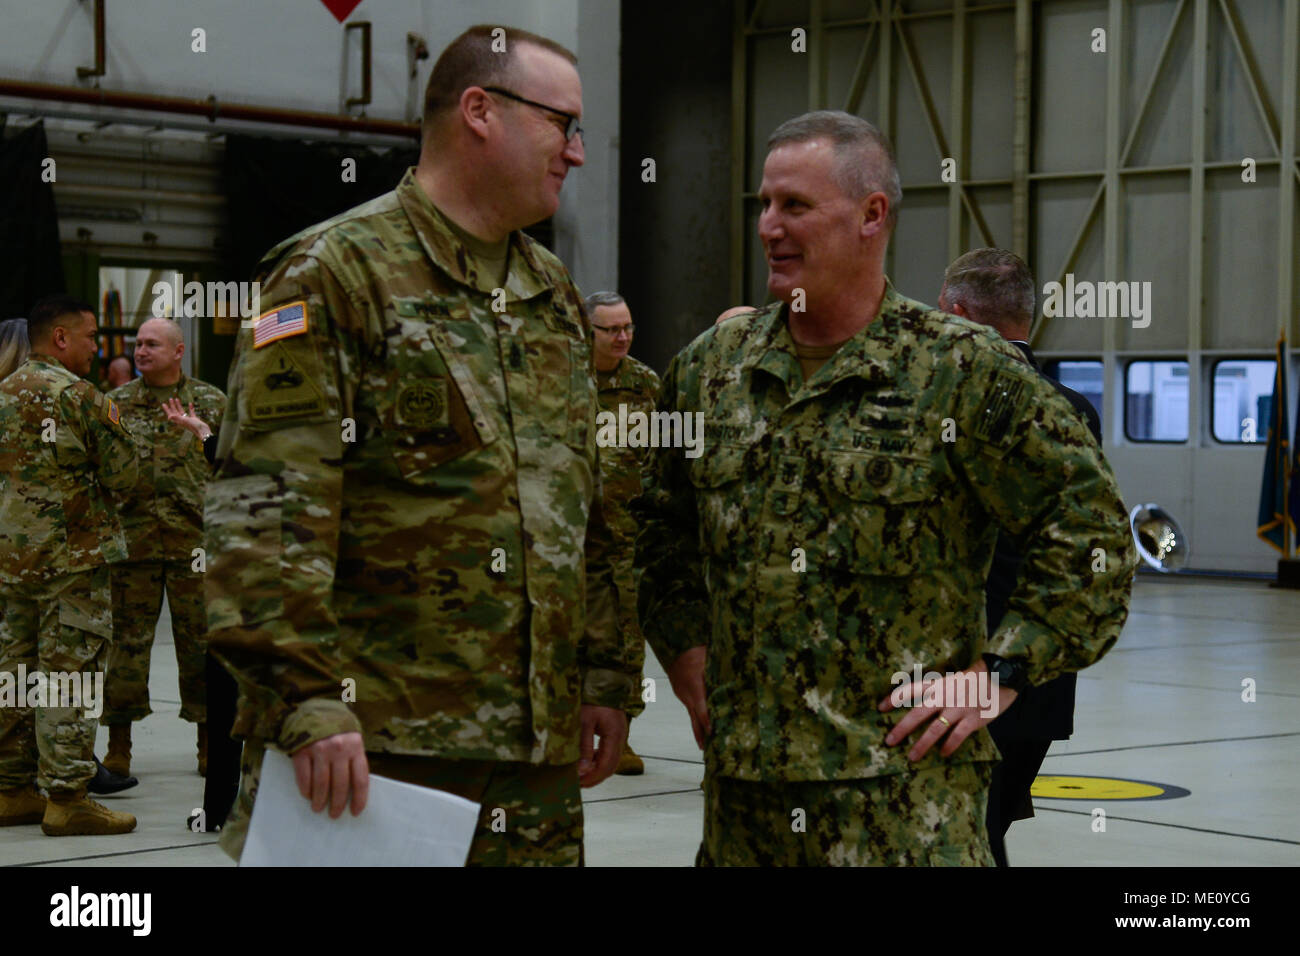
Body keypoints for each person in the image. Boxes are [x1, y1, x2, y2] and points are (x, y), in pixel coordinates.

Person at [634, 110, 1136, 866]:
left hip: (905, 818)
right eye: (765, 204)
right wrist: (686, 654)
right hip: (746, 815)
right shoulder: (710, 370)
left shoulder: (963, 372)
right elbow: (659, 527)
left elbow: (1092, 539)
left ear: (873, 215)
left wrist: (1001, 675)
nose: (769, 226)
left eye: (795, 206)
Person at [203, 24, 641, 866]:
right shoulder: (332, 273)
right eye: (564, 124)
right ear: (480, 111)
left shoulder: (550, 296)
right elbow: (264, 514)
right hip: (377, 754)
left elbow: (579, 511)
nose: (577, 152)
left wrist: (602, 678)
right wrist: (306, 702)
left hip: (535, 761)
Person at [937, 247, 1102, 866]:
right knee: (990, 827)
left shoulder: (949, 406)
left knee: (961, 837)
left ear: (957, 312)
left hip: (963, 669)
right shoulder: (1074, 409)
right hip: (1041, 676)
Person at [0, 296, 139, 835]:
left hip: (11, 563)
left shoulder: (3, 393)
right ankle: (67, 798)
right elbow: (126, 477)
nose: (96, 347)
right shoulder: (83, 398)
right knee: (70, 680)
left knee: (14, 673)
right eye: (90, 336)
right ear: (60, 338)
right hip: (72, 564)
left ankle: (11, 788)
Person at [100, 319, 226, 780]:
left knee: (201, 646)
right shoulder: (113, 405)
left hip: (195, 545)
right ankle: (118, 745)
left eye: (152, 344)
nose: (141, 350)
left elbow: (232, 464)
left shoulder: (211, 401)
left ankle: (209, 742)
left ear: (178, 352)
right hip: (132, 545)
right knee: (126, 648)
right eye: (138, 344)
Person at [584, 291, 660, 776]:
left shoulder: (646, 384)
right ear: (586, 332)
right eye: (611, 329)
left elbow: (663, 456)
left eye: (627, 327)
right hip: (574, 540)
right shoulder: (564, 379)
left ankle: (623, 735)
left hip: (628, 538)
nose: (622, 337)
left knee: (628, 641)